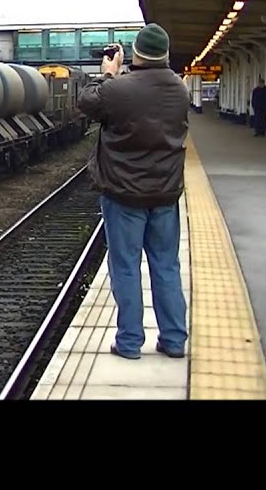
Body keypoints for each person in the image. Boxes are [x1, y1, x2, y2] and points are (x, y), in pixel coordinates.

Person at [76, 24, 189, 360]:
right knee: (166, 266)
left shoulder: (118, 89)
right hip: (165, 194)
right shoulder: (180, 89)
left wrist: (109, 74)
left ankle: (129, 342)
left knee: (125, 267)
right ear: (166, 54)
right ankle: (174, 340)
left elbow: (87, 102)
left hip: (123, 196)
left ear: (136, 53)